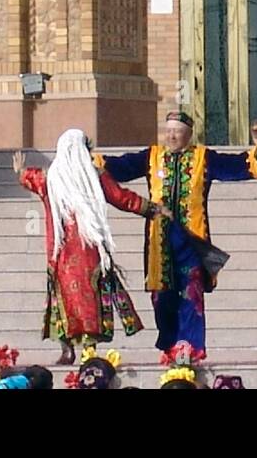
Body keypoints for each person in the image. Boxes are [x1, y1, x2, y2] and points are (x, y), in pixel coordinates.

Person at [97, 112, 257, 354]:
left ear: (189, 135)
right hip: (159, 241)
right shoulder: (151, 156)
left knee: (191, 292)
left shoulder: (203, 158)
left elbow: (239, 165)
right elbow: (117, 167)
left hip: (191, 241)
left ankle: (191, 347)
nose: (172, 136)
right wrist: (85, 158)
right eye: (168, 131)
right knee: (161, 296)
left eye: (178, 131)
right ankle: (170, 346)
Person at [15, 129, 170, 364]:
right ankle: (90, 348)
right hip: (90, 251)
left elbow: (29, 177)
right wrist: (153, 209)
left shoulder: (50, 177)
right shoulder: (94, 176)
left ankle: (67, 349)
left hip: (60, 252)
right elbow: (122, 198)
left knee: (64, 297)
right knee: (89, 295)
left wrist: (19, 171)